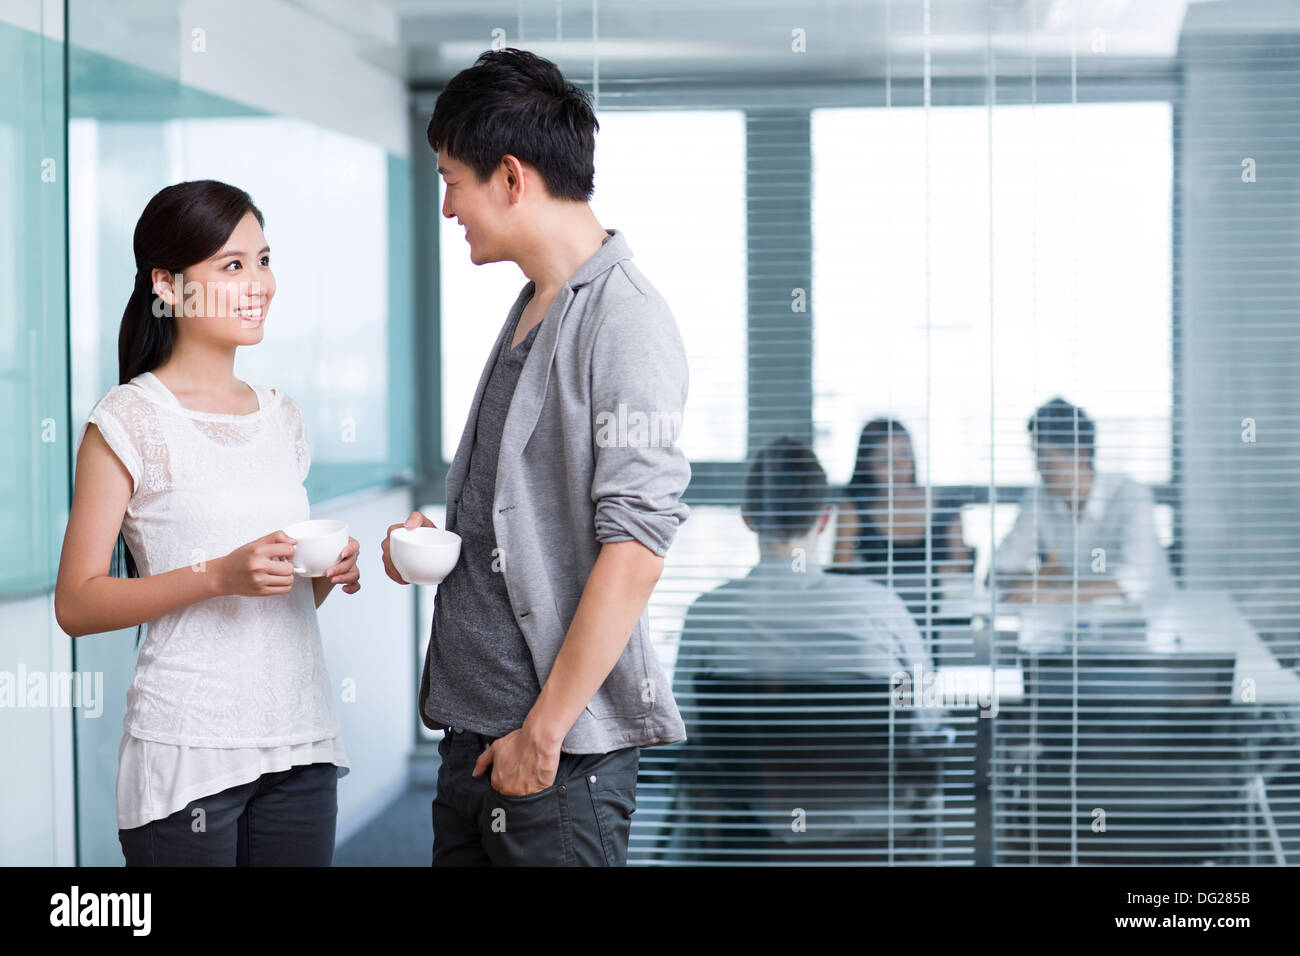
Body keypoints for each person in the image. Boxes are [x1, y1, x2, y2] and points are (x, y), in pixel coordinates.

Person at [380, 49, 691, 867]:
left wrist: (543, 734)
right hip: (473, 736)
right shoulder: (534, 302)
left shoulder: (625, 321)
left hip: (552, 759)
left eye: (452, 180)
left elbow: (636, 549)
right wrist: (444, 541)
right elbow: (521, 516)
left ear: (510, 178)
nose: (447, 206)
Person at [55, 180, 360, 866]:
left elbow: (278, 592)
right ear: (168, 284)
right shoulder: (127, 420)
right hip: (188, 754)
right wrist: (218, 574)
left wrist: (324, 573)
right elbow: (77, 602)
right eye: (232, 265)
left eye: (263, 259)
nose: (259, 282)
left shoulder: (282, 417)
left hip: (299, 741)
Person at [671, 438, 946, 857]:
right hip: (874, 836)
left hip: (751, 836)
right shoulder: (880, 608)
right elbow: (928, 722)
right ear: (825, 518)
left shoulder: (708, 613)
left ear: (747, 517)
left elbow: (686, 727)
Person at [992, 397, 1175, 606]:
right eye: (1036, 457)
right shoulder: (1038, 500)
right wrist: (1037, 580)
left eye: (1047, 459)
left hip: (1145, 622)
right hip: (1074, 624)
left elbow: (1135, 580)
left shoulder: (1130, 496)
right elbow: (999, 570)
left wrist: (1055, 593)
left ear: (1080, 454)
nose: (1039, 468)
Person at [831, 418, 973, 642]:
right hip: (878, 622)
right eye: (884, 460)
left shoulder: (945, 504)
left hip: (935, 620)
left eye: (904, 455)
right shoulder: (855, 506)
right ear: (866, 464)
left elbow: (961, 570)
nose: (898, 466)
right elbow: (842, 571)